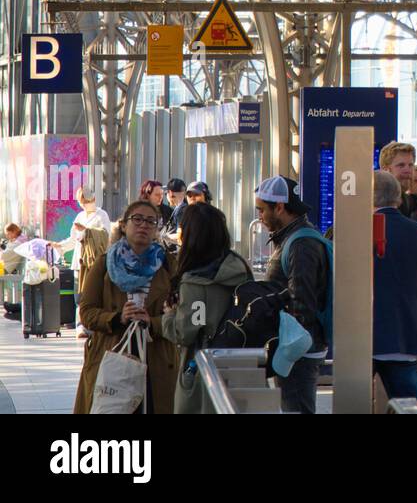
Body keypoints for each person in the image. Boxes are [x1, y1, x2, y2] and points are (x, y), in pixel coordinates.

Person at [73, 199, 179, 414]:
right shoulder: (104, 264)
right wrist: (117, 317)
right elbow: (86, 312)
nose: (144, 225)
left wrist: (153, 323)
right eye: (137, 219)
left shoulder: (168, 265)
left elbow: (181, 314)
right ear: (123, 225)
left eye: (151, 221)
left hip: (156, 357)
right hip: (112, 353)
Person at [160, 202, 253, 413]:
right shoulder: (240, 268)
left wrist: (168, 316)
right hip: (242, 364)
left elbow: (187, 331)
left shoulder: (196, 282)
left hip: (206, 372)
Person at [255, 176, 331, 414]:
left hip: (299, 348)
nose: (260, 217)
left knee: (297, 408)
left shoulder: (301, 244)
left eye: (262, 210)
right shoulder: (296, 237)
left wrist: (287, 353)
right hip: (298, 345)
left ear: (279, 207)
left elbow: (302, 304)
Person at [372, 171, 417, 401]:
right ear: (399, 198)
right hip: (407, 338)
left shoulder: (351, 232)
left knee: (354, 403)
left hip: (362, 339)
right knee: (407, 404)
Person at [64, 187, 113, 338]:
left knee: (93, 294)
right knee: (79, 295)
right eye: (83, 202)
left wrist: (86, 230)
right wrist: (59, 246)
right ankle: (80, 324)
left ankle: (92, 324)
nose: (86, 204)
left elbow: (106, 236)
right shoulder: (79, 216)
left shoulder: (101, 214)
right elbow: (72, 240)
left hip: (95, 262)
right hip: (79, 261)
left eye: (88, 201)